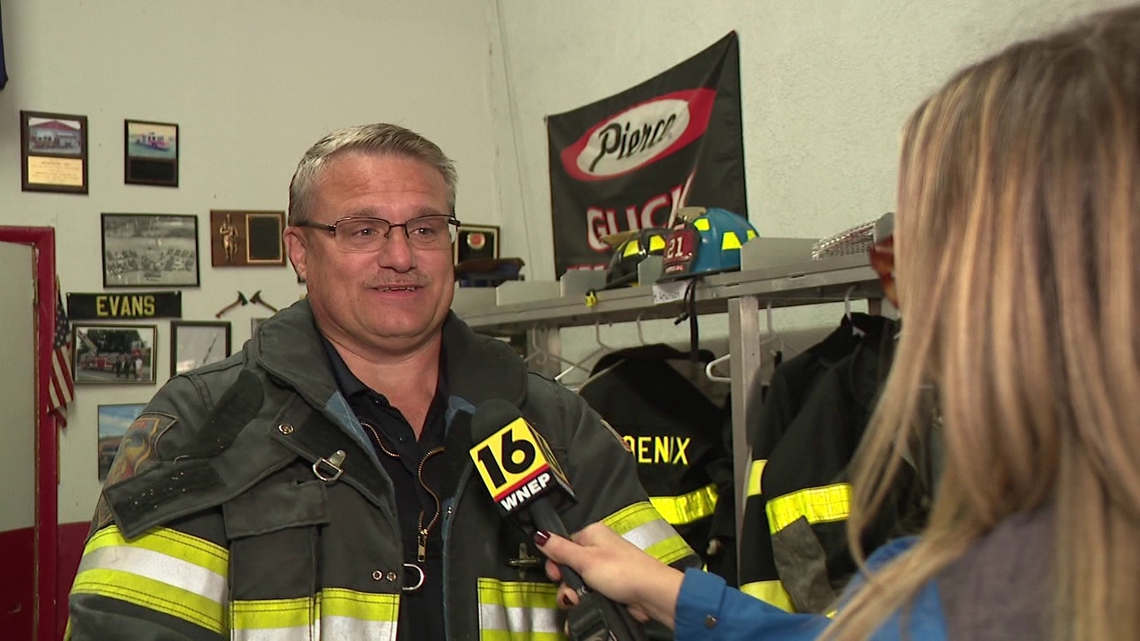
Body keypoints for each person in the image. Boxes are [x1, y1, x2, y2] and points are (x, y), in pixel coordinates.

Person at [537, 7, 1140, 641]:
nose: (913, 313)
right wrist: (670, 593)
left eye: (921, 266)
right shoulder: (998, 576)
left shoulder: (974, 598)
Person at [66, 123, 696, 640]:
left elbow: (671, 616)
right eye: (363, 230)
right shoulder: (202, 422)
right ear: (300, 251)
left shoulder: (555, 422)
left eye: (426, 228)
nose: (401, 256)